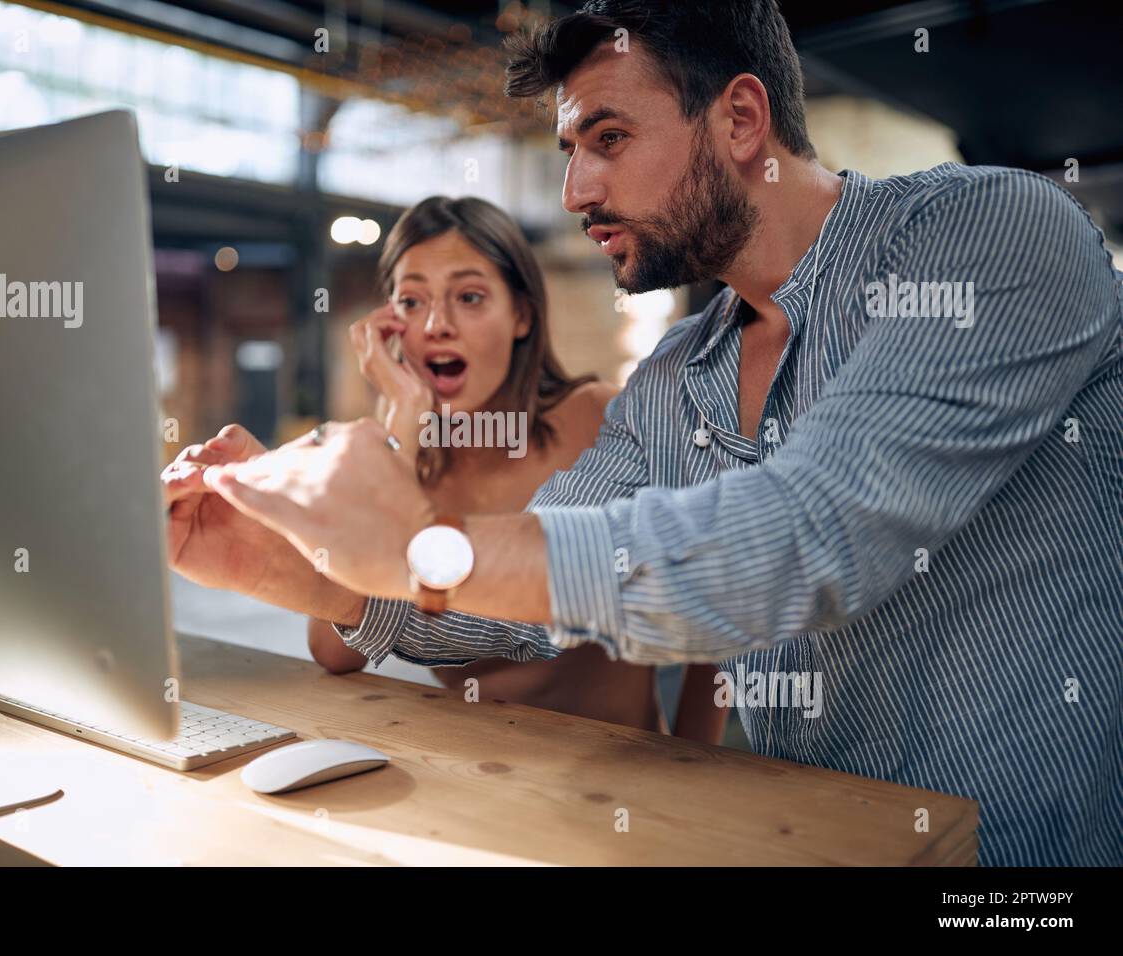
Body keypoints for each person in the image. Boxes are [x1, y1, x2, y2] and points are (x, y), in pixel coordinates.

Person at [191, 0, 1123, 866]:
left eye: (608, 138)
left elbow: (807, 537)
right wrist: (288, 565)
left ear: (742, 120)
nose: (572, 188)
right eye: (568, 149)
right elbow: (525, 609)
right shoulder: (678, 374)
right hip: (815, 846)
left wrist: (415, 543)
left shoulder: (991, 233)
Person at [303, 195, 722, 738]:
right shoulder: (393, 455)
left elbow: (712, 600)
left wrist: (696, 762)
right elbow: (332, 650)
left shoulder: (602, 419)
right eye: (410, 301)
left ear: (522, 314)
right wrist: (399, 424)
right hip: (473, 773)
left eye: (469, 297)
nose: (436, 325)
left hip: (619, 775)